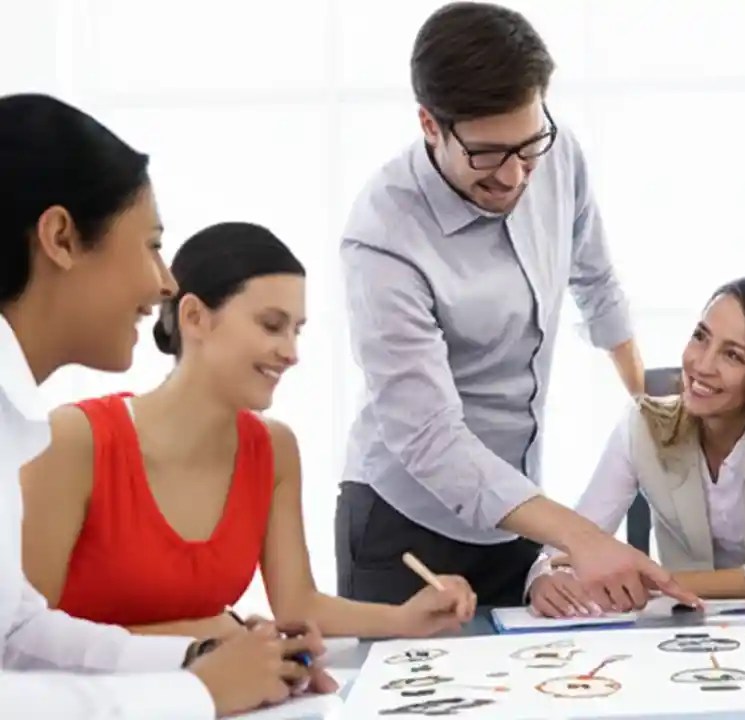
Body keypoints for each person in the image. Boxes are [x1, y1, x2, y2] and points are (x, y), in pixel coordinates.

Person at [338, 1, 695, 611]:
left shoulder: (555, 156)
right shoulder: (382, 237)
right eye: (487, 155)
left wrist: (650, 408)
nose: (514, 177)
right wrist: (582, 536)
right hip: (405, 525)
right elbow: (429, 438)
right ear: (430, 125)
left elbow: (597, 281)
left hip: (517, 513)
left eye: (527, 147)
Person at [0, 92, 336, 719]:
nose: (164, 281)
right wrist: (200, 691)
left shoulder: (14, 422)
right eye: (151, 244)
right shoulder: (66, 437)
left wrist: (203, 655)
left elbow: (18, 633)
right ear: (61, 238)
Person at [21, 221, 477, 641]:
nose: (291, 352)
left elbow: (297, 604)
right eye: (272, 325)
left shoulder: (274, 449)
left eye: (297, 331)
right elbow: (22, 639)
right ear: (194, 316)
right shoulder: (72, 440)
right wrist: (210, 635)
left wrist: (405, 619)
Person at [527, 275, 745, 617]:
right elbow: (577, 535)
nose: (702, 365)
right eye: (700, 337)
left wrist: (664, 581)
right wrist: (547, 574)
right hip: (680, 632)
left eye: (733, 355)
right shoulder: (643, 427)